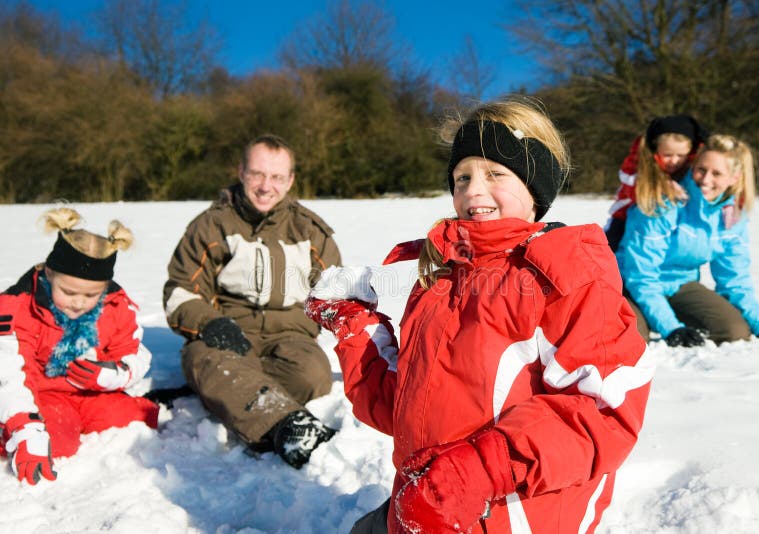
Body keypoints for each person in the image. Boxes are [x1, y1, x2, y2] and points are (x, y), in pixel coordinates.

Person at [305, 97, 654, 533]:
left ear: (535, 187)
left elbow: (605, 409)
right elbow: (403, 407)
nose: (472, 190)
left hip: (511, 516)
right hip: (425, 506)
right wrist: (354, 326)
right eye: (462, 177)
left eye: (495, 174)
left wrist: (478, 470)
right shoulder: (440, 278)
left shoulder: (569, 277)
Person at [163, 133, 341, 469]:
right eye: (257, 174)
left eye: (276, 177)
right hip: (225, 336)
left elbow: (333, 290)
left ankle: (226, 392)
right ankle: (288, 427)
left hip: (290, 336)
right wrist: (209, 323)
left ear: (289, 181)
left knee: (313, 375)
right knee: (212, 362)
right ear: (241, 171)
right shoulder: (210, 226)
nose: (265, 186)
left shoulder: (310, 230)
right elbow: (179, 292)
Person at [0, 208, 158, 485]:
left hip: (87, 391)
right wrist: (25, 426)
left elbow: (134, 353)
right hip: (38, 394)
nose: (78, 302)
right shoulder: (17, 307)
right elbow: (8, 372)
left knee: (140, 417)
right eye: (69, 292)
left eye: (91, 295)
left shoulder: (116, 306)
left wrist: (113, 374)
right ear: (49, 274)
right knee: (56, 443)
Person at [616, 133, 759, 347]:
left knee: (735, 331)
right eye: (701, 169)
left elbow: (734, 278)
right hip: (629, 284)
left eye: (717, 173)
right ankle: (643, 319)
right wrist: (671, 327)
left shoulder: (731, 218)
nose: (705, 180)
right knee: (633, 339)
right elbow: (640, 274)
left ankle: (658, 315)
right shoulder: (664, 204)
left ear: (734, 178)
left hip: (680, 284)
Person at [605, 114, 709, 251]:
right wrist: (660, 186)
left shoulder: (694, 166)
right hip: (625, 217)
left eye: (680, 155)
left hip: (673, 220)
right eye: (667, 155)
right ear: (656, 149)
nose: (674, 161)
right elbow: (629, 181)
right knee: (611, 250)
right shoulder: (639, 163)